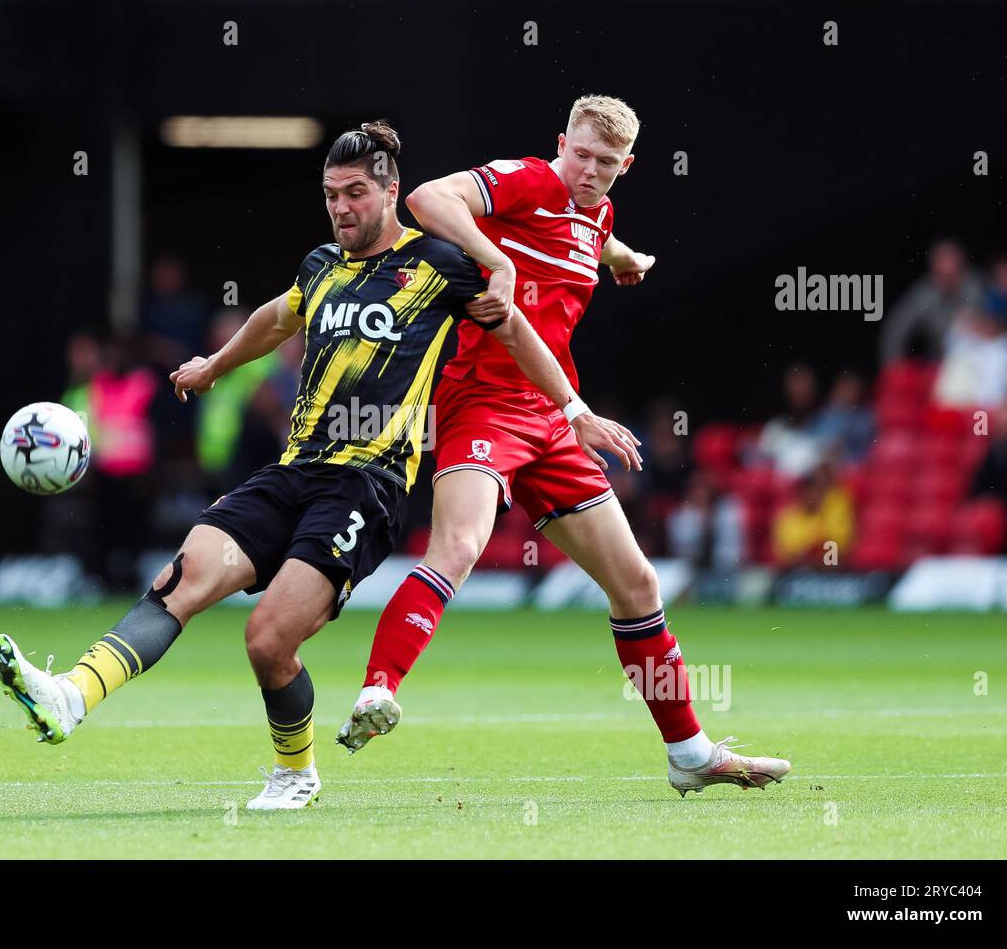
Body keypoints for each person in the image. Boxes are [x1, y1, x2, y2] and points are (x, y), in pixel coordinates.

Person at [0, 122, 598, 809]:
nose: (341, 208)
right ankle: (69, 695)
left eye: (356, 194)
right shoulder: (320, 266)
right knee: (180, 579)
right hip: (294, 471)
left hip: (365, 488)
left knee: (267, 640)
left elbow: (517, 332)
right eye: (331, 195)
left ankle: (295, 773)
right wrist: (214, 366)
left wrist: (574, 411)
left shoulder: (439, 267)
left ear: (391, 192)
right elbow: (278, 319)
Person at [336, 95, 791, 797]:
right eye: (580, 154)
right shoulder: (531, 179)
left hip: (551, 412)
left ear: (626, 166)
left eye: (605, 163)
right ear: (561, 143)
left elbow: (588, 233)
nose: (588, 170)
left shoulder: (596, 209)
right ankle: (376, 691)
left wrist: (623, 256)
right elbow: (429, 197)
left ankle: (690, 754)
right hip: (480, 401)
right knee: (457, 548)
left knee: (637, 585)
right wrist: (495, 260)